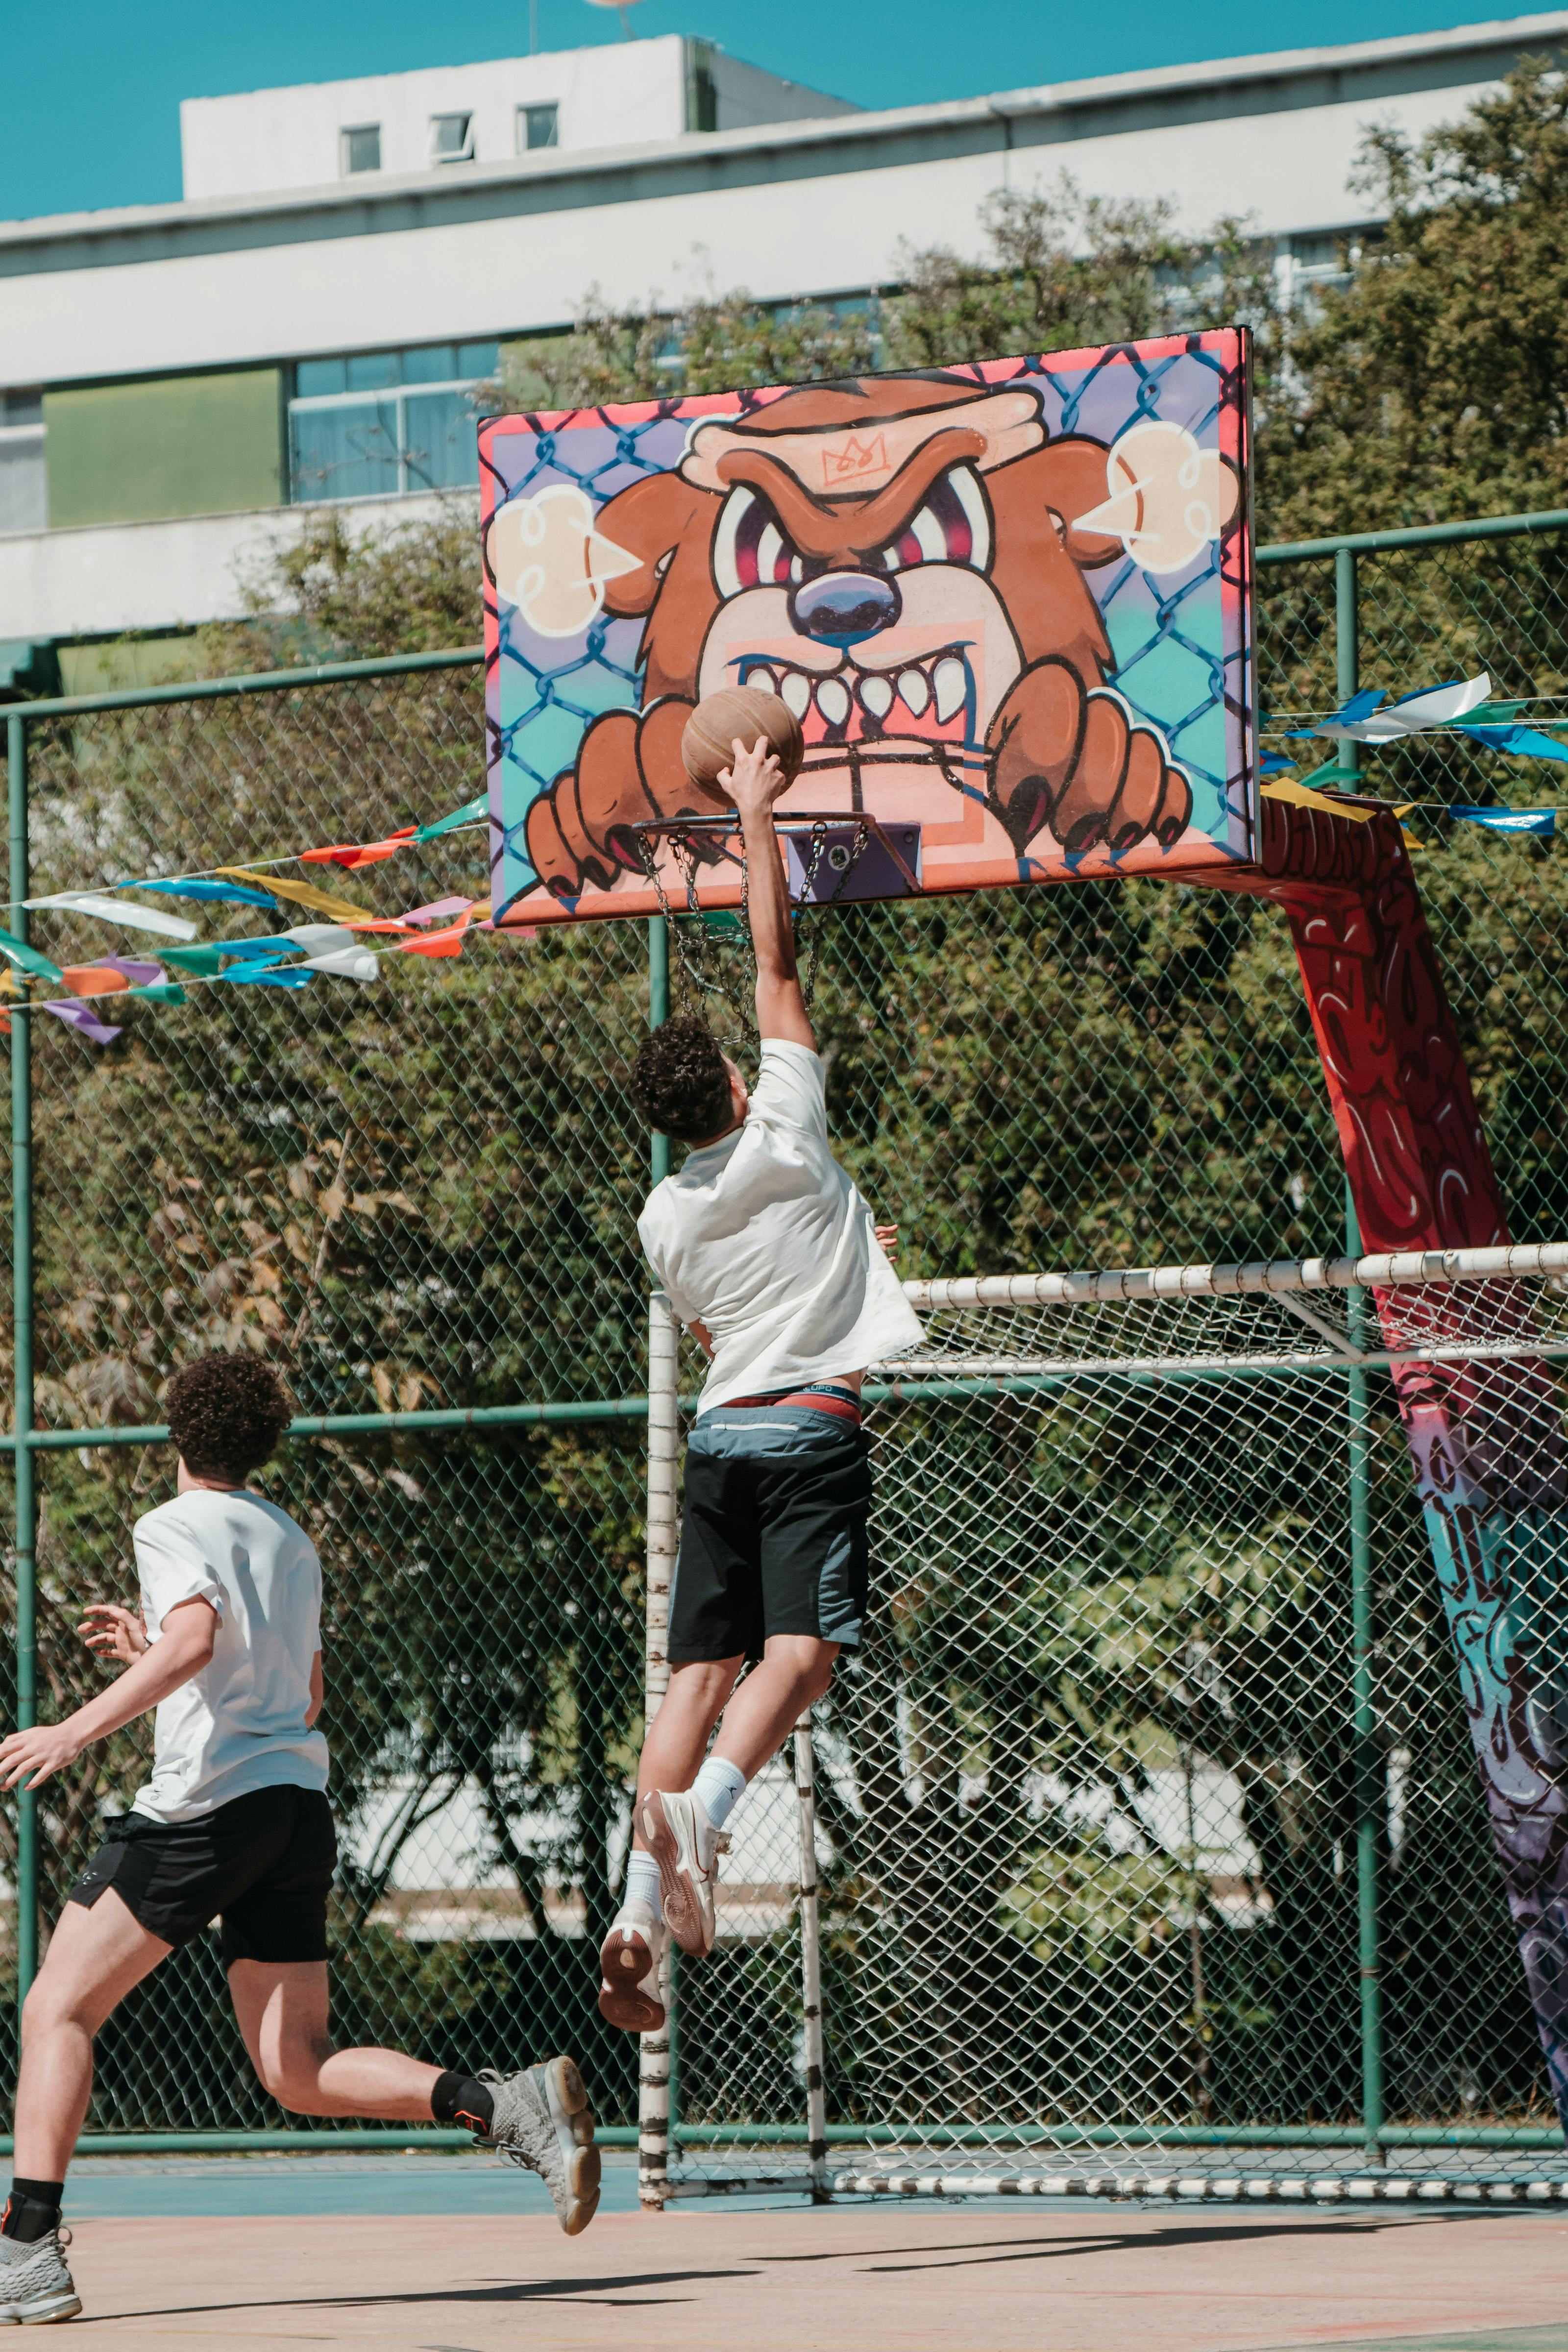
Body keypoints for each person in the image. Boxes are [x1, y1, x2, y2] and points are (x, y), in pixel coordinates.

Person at [0, 1352, 599, 2327]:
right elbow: (298, 1693)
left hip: (207, 1811)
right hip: (292, 1808)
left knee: (55, 2010)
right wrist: (154, 1650)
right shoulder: (287, 1537)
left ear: (175, 1433)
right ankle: (505, 2103)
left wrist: (74, 1730)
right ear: (264, 1441)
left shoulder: (170, 1522)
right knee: (295, 2068)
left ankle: (27, 2249)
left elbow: (197, 1645)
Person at [598, 733, 923, 2033]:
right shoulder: (787, 1124)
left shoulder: (660, 1223)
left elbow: (735, 1319)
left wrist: (851, 1255)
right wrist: (752, 813)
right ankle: (703, 1821)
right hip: (809, 1434)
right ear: (736, 1085)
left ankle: (632, 1909)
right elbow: (775, 957)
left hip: (723, 1435)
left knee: (691, 1683)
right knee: (804, 1661)